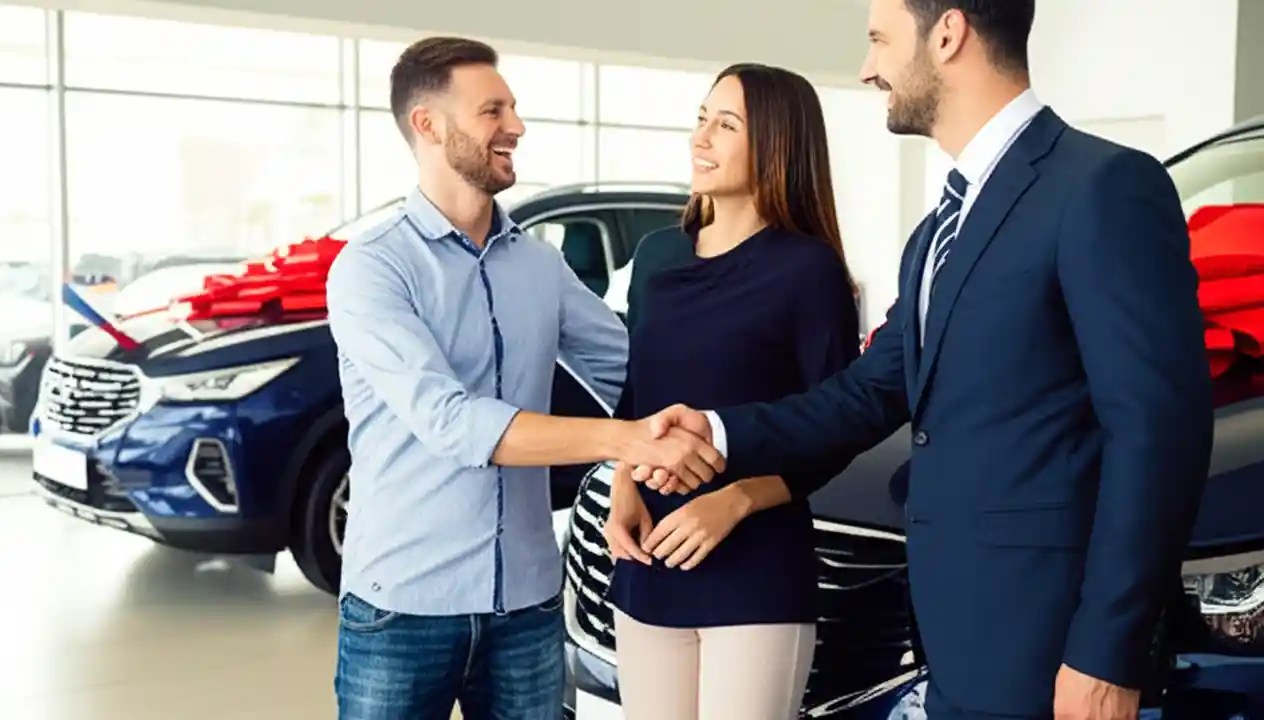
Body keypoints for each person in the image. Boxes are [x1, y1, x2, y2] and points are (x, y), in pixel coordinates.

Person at [640, 1, 1215, 719]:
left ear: (948, 34)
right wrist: (718, 432)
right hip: (954, 637)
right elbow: (871, 392)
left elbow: (1160, 434)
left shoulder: (1102, 187)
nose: (867, 67)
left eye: (880, 40)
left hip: (1052, 645)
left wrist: (1107, 652)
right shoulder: (936, 230)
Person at [325, 36, 724, 720]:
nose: (516, 125)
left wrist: (733, 411)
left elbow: (633, 369)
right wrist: (626, 443)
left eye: (512, 107)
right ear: (428, 125)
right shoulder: (372, 268)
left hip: (529, 608)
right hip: (402, 607)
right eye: (493, 110)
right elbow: (449, 418)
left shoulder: (538, 267)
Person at [601, 63, 862, 720]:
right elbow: (638, 397)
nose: (701, 138)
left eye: (726, 124)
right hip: (650, 560)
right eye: (701, 119)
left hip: (756, 568)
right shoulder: (658, 257)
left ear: (775, 142)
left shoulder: (809, 269)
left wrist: (737, 501)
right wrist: (624, 485)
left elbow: (835, 428)